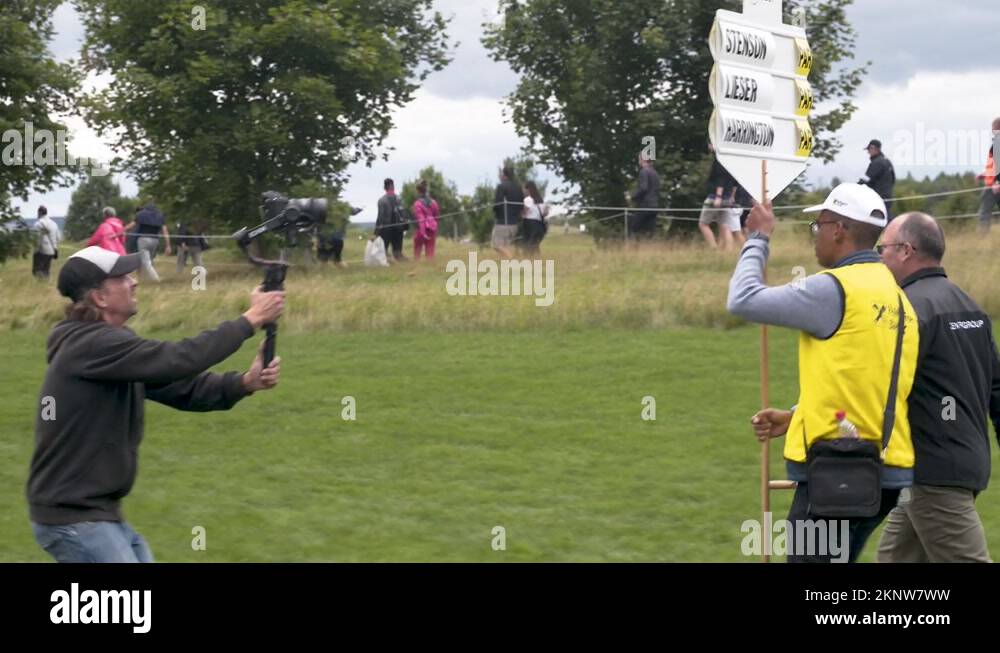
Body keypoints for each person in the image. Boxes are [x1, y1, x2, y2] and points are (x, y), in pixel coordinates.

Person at [27, 246, 284, 563]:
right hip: (73, 516)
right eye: (122, 277)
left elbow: (181, 388)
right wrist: (251, 319)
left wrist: (244, 382)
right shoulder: (92, 345)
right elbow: (178, 359)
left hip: (95, 512)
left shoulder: (108, 346)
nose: (134, 282)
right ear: (100, 297)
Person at [729, 183, 919, 563]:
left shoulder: (834, 289)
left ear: (839, 229)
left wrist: (758, 238)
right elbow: (866, 379)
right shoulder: (897, 297)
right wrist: (797, 416)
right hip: (887, 470)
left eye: (818, 226)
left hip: (840, 472)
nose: (815, 236)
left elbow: (743, 299)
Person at [876, 213, 1000, 563]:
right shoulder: (971, 307)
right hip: (960, 464)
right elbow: (998, 387)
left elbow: (879, 386)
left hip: (931, 471)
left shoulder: (907, 310)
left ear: (905, 251)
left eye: (881, 249)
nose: (879, 258)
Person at [124, 203, 171, 281]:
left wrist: (121, 230)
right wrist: (168, 245)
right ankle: (143, 278)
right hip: (155, 240)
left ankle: (156, 279)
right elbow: (165, 231)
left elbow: (131, 226)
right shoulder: (160, 216)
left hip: (143, 240)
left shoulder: (141, 214)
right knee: (150, 261)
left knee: (146, 262)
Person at [627, 153, 661, 241]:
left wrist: (632, 197)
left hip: (645, 206)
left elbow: (643, 188)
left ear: (643, 160)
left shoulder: (644, 171)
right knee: (650, 232)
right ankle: (650, 250)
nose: (638, 161)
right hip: (654, 206)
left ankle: (630, 249)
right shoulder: (655, 173)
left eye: (639, 159)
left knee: (632, 228)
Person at [975, 117, 1000, 233]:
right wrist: (983, 175)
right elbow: (994, 167)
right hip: (992, 184)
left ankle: (982, 237)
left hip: (994, 187)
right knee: (984, 212)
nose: (992, 131)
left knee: (984, 213)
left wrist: (997, 182)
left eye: (994, 128)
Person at [493, 165, 524, 258]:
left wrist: (496, 213)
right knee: (504, 246)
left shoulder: (501, 186)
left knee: (497, 245)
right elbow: (521, 205)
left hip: (503, 222)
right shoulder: (518, 187)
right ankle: (506, 267)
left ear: (504, 175)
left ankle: (514, 261)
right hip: (514, 223)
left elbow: (498, 204)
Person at [860, 139, 896, 218]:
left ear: (874, 149)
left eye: (869, 149)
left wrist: (855, 188)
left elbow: (865, 181)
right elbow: (893, 180)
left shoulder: (877, 163)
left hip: (877, 199)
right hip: (887, 198)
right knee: (887, 218)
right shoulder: (887, 162)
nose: (868, 152)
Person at [374, 178, 407, 262]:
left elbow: (380, 217)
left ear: (384, 187)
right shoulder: (399, 199)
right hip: (399, 228)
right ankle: (401, 267)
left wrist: (376, 232)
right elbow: (403, 214)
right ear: (393, 186)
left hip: (386, 229)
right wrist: (405, 226)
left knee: (384, 252)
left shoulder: (381, 201)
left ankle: (389, 263)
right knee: (398, 252)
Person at [520, 180, 549, 256]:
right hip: (539, 225)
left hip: (529, 224)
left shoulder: (527, 200)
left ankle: (528, 262)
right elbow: (545, 213)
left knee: (527, 246)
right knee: (535, 245)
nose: (523, 191)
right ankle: (537, 262)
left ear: (528, 189)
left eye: (524, 189)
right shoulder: (540, 200)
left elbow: (524, 211)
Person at [412, 180, 439, 261]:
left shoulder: (417, 204)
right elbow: (436, 216)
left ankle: (417, 267)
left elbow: (421, 219)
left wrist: (423, 233)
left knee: (417, 251)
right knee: (430, 253)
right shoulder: (434, 202)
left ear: (418, 191)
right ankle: (430, 268)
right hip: (432, 229)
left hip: (421, 231)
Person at [32, 205, 61, 280]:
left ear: (40, 212)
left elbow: (36, 239)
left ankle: (40, 287)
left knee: (37, 271)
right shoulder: (54, 224)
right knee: (46, 270)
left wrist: (35, 250)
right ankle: (46, 285)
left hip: (41, 250)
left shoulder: (38, 224)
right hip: (52, 251)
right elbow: (58, 238)